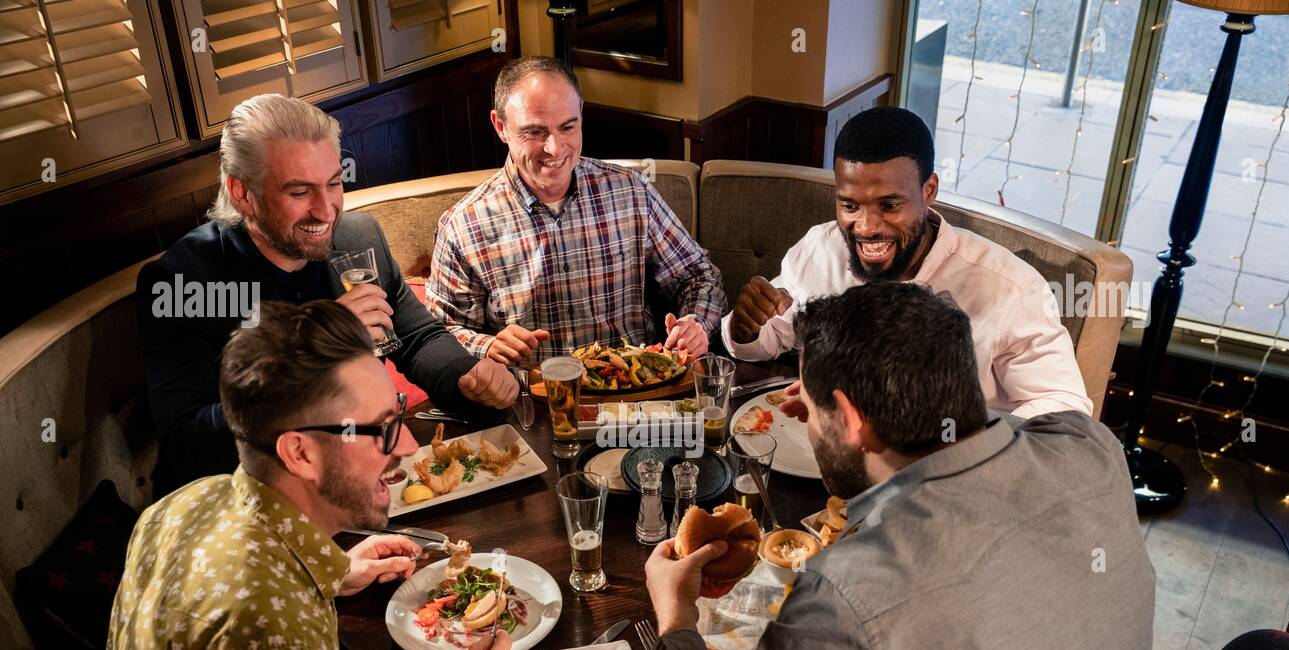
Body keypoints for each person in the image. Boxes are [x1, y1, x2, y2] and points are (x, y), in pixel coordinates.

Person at [642, 281, 1154, 650]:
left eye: (812, 408)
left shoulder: (847, 595)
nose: (806, 420)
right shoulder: (1091, 445)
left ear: (854, 420)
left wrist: (676, 624)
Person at [107, 300, 540, 650]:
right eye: (381, 431)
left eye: (399, 415)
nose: (404, 449)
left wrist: (334, 574)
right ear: (300, 452)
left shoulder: (187, 501)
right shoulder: (261, 625)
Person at [139, 93, 518, 497]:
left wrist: (469, 378)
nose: (327, 210)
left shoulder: (358, 238)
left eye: (334, 183)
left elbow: (417, 338)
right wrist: (321, 348)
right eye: (300, 192)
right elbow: (189, 442)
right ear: (242, 193)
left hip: (360, 480)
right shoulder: (186, 282)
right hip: (245, 504)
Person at [722, 107, 1092, 419]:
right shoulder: (820, 248)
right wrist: (745, 328)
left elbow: (1064, 411)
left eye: (889, 205)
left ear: (928, 191)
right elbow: (767, 342)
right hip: (821, 461)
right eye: (850, 205)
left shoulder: (1009, 288)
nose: (865, 228)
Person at [426, 56, 727, 365]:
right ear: (500, 126)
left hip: (635, 393)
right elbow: (439, 334)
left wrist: (697, 323)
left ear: (581, 115)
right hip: (532, 399)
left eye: (567, 127)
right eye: (534, 132)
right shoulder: (464, 225)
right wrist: (485, 346)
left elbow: (698, 275)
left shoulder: (631, 191)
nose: (555, 149)